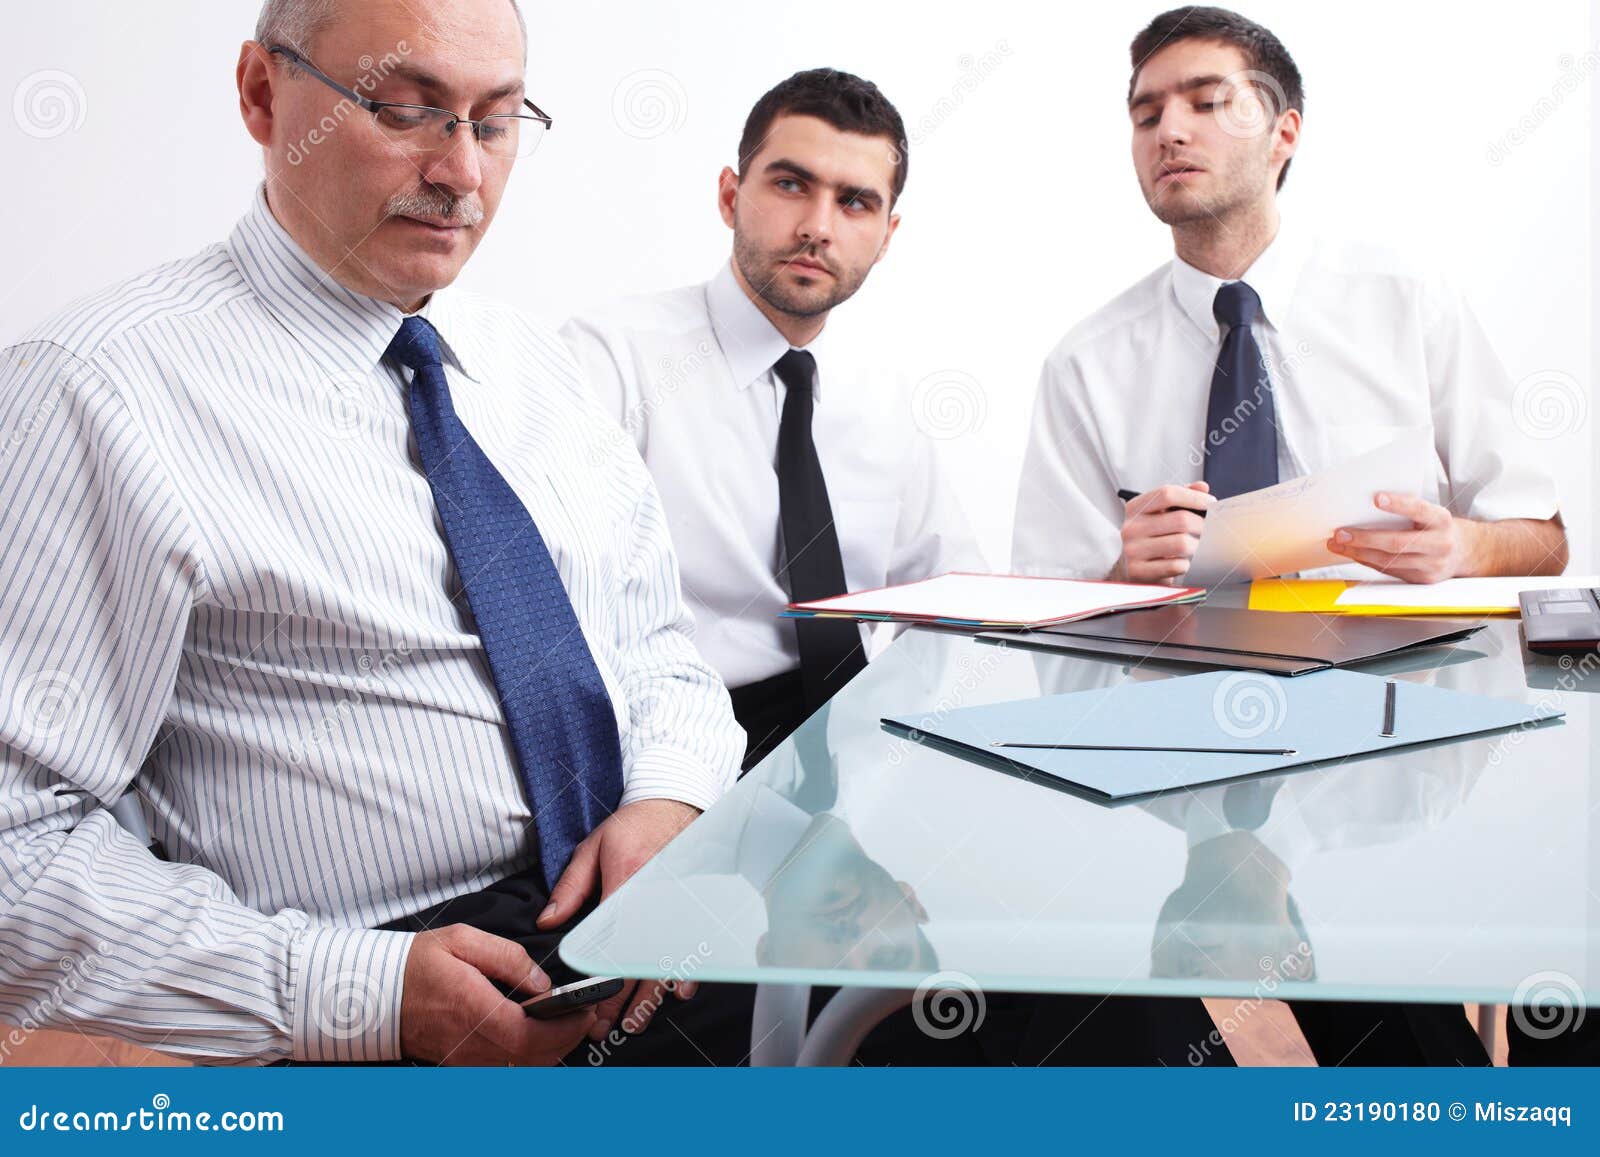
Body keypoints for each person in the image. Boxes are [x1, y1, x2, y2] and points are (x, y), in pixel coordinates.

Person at [0, 0, 751, 1066]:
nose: (463, 173)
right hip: (380, 1006)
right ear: (263, 95)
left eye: (495, 122)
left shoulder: (538, 368)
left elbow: (656, 652)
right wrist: (360, 992)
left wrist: (669, 801)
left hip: (637, 955)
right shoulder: (95, 391)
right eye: (407, 109)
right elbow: (12, 850)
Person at [1011, 5, 1566, 589]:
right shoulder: (1083, 367)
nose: (1169, 132)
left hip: (1392, 671)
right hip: (1176, 674)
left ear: (1283, 134)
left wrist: (1466, 548)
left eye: (1206, 103)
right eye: (1146, 116)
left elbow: (1545, 543)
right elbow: (1042, 596)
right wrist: (1125, 571)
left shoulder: (1409, 304)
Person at [563, 69, 983, 769]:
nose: (818, 227)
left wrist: (903, 743)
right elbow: (559, 617)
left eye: (854, 202)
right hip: (670, 744)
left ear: (886, 236)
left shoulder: (883, 404)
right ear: (731, 196)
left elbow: (954, 597)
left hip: (854, 737)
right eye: (791, 184)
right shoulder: (611, 361)